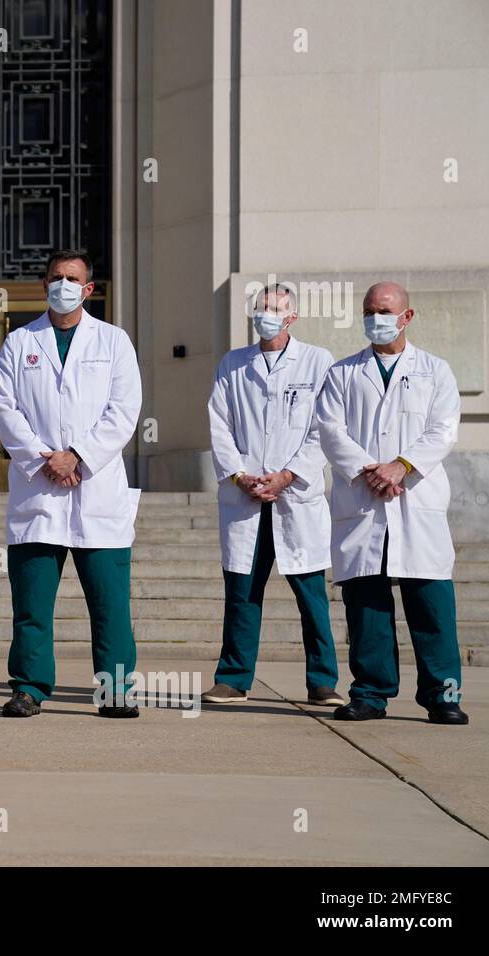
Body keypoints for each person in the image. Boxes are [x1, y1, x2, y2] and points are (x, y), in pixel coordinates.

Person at [0, 248, 143, 719]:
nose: (63, 285)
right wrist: (47, 460)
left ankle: (115, 690)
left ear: (89, 288)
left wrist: (77, 456)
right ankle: (30, 688)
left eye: (73, 278)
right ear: (44, 284)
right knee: (32, 605)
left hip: (97, 492)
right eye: (56, 277)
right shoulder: (19, 342)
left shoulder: (114, 342)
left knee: (110, 604)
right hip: (39, 492)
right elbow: (5, 408)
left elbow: (124, 411)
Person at [315, 282, 468, 724]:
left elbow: (442, 431)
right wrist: (371, 471)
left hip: (414, 501)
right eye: (368, 311)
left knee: (431, 605)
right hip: (364, 502)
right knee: (367, 607)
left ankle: (444, 695)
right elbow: (330, 430)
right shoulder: (343, 373)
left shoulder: (435, 371)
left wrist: (401, 466)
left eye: (383, 310)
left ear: (407, 316)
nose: (375, 319)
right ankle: (369, 693)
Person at [203, 284, 343, 706]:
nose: (267, 314)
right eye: (262, 307)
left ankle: (323, 681)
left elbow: (325, 428)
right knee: (243, 590)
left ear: (292, 316)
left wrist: (287, 475)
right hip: (245, 496)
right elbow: (219, 424)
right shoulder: (232, 364)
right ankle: (233, 677)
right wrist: (239, 475)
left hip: (295, 495)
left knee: (310, 592)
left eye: (277, 308)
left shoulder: (318, 362)